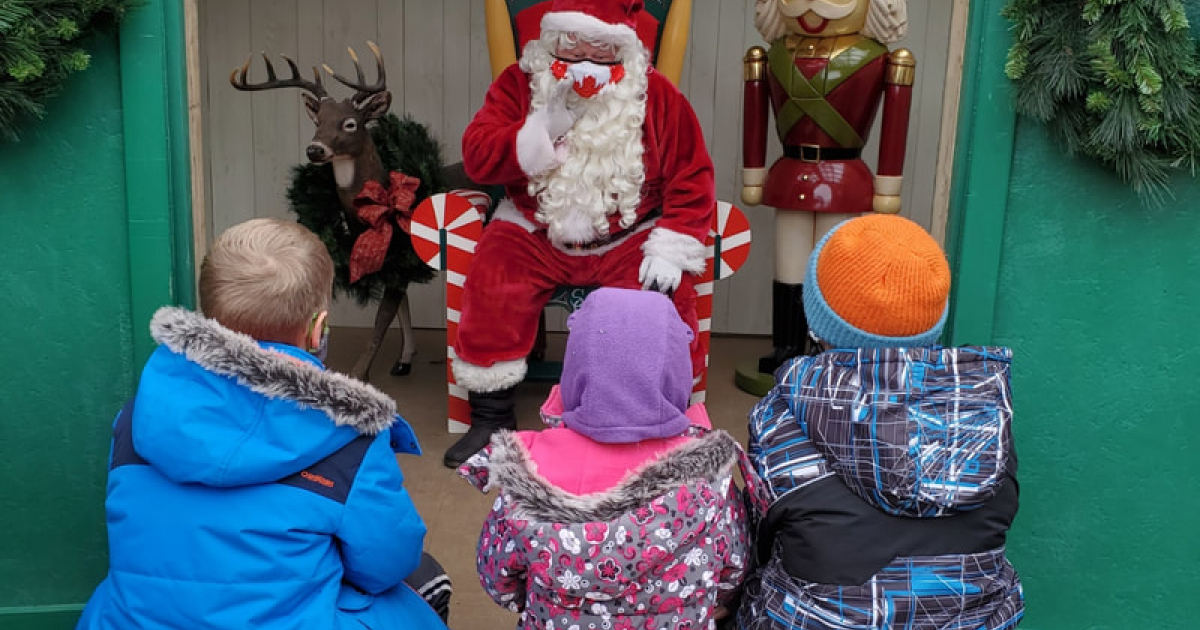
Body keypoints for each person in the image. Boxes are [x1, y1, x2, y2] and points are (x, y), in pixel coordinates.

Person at [76, 218, 448, 630]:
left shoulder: (137, 417)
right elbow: (387, 562)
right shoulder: (350, 440)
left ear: (208, 318)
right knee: (423, 577)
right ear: (317, 329)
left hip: (131, 621)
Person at [445, 0, 717, 467]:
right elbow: (477, 157)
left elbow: (693, 177)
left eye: (604, 47)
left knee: (667, 297)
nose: (588, 58)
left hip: (626, 235)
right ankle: (491, 420)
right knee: (494, 278)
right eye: (574, 44)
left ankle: (666, 418)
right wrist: (537, 131)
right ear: (552, 40)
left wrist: (672, 245)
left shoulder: (657, 96)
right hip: (535, 230)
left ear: (624, 48)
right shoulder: (518, 84)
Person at [737, 214, 1024, 629]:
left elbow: (760, 542)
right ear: (933, 324)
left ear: (816, 320)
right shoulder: (987, 408)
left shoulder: (776, 416)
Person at [457, 288, 750, 630]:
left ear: (577, 367)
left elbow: (498, 578)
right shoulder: (711, 478)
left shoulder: (528, 473)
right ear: (677, 370)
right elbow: (733, 571)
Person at [737, 0, 914, 390]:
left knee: (833, 268)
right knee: (788, 267)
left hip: (843, 176)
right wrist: (753, 173)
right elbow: (756, 110)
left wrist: (889, 183)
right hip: (791, 174)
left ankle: (828, 351)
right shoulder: (775, 56)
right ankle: (786, 346)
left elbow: (895, 121)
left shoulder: (875, 58)